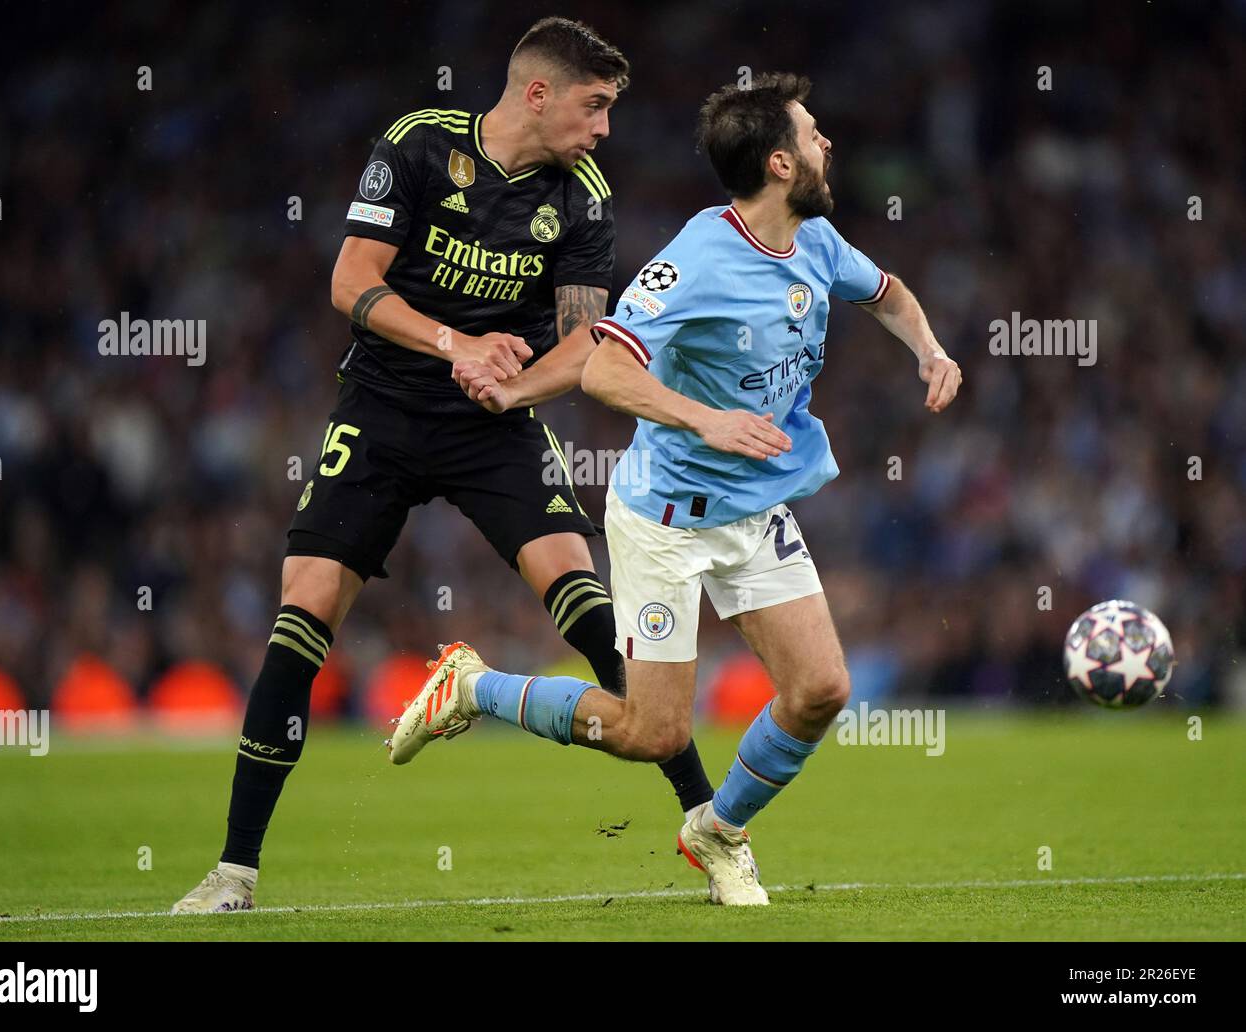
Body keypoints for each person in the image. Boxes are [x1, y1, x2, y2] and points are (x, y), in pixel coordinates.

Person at [172, 17, 716, 915]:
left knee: (589, 610)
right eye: (595, 105)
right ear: (537, 93)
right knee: (300, 625)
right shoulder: (420, 147)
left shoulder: (582, 196)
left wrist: (510, 387)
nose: (605, 128)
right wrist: (455, 343)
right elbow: (351, 283)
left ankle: (706, 821)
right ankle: (233, 874)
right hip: (382, 412)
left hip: (495, 422)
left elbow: (583, 344)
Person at [387, 72, 963, 906]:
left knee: (822, 690)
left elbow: (888, 295)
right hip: (665, 516)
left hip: (753, 507)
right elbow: (606, 367)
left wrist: (930, 351)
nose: (826, 143)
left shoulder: (818, 241)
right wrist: (707, 420)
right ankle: (473, 686)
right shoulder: (698, 256)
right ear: (777, 163)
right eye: (811, 133)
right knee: (649, 731)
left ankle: (716, 831)